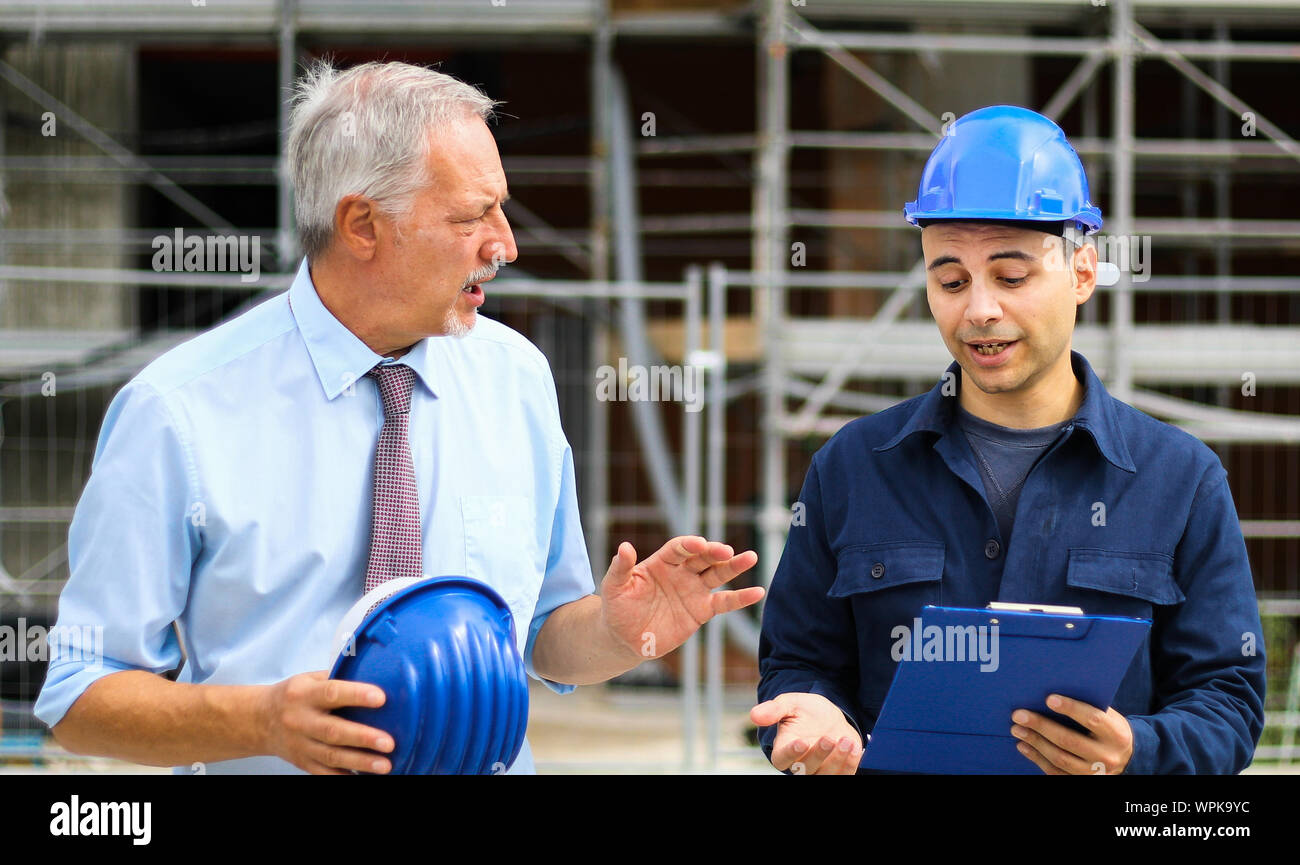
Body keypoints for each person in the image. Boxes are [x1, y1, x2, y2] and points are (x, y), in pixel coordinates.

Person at [35, 60, 763, 774]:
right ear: (362, 224)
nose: (506, 245)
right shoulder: (177, 413)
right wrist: (259, 721)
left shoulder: (518, 378)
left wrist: (614, 630)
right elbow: (79, 694)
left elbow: (542, 631)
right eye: (474, 215)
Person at [750, 105, 1266, 775]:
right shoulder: (852, 468)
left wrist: (1135, 751)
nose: (980, 310)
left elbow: (1227, 699)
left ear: (1082, 271)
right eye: (950, 280)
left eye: (1011, 276)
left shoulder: (1181, 479)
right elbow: (798, 664)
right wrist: (810, 720)